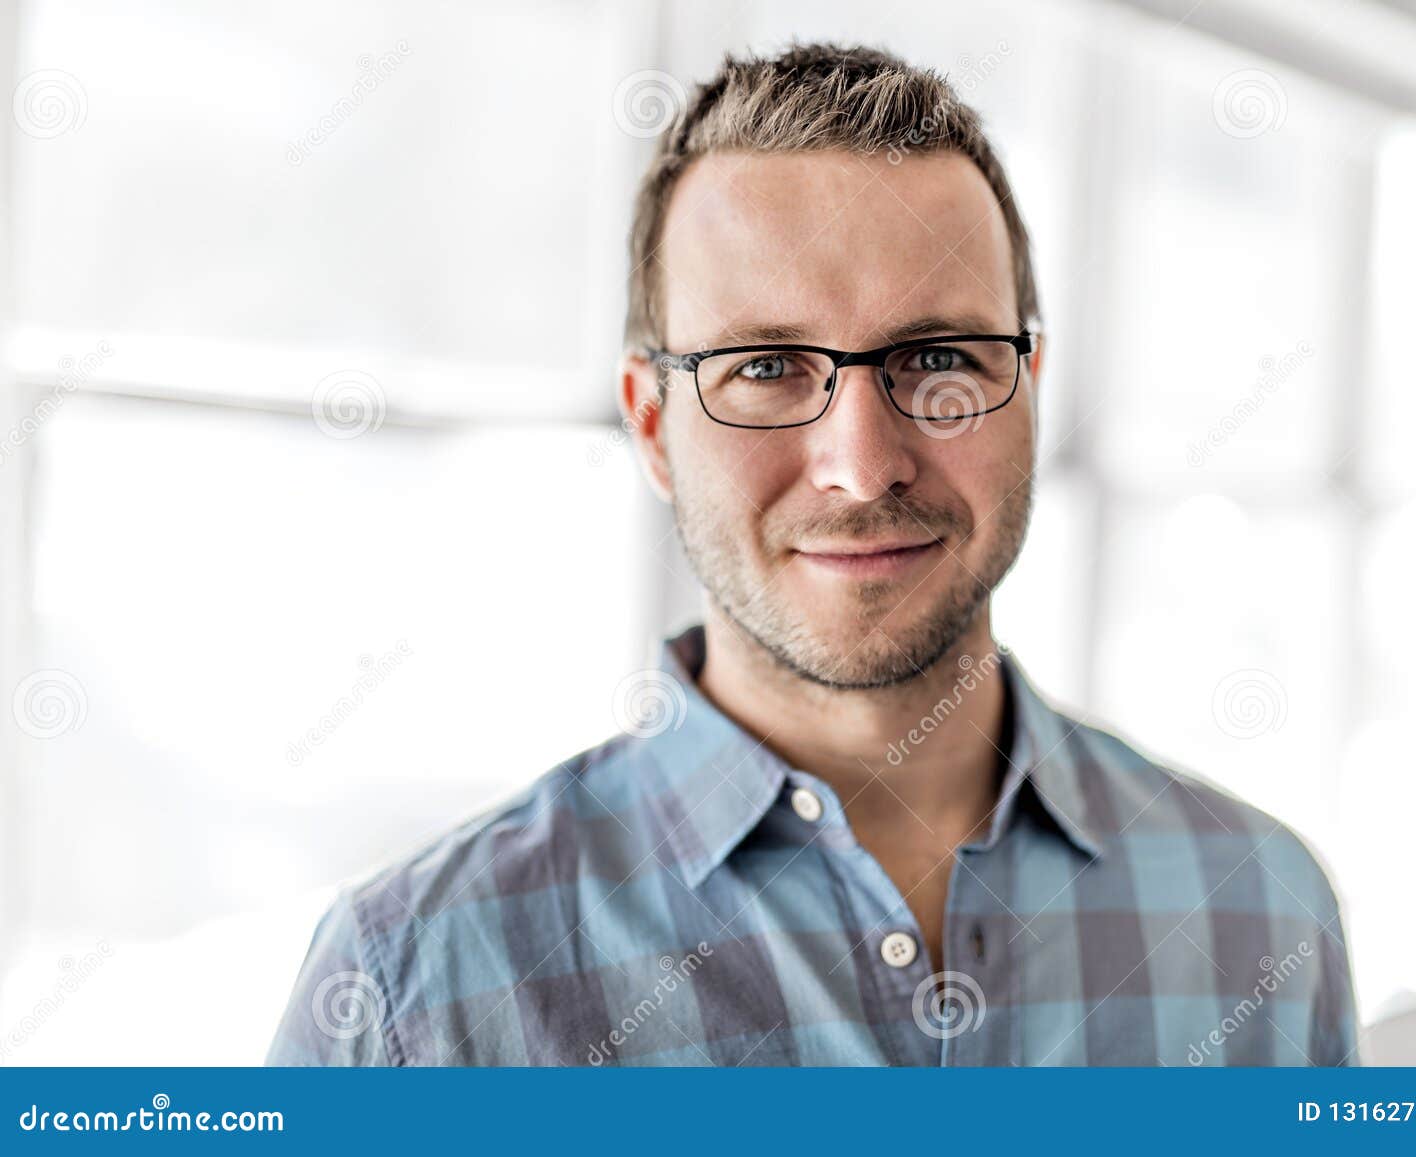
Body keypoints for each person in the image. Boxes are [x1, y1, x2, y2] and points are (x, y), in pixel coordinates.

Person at [266, 41, 1358, 1067]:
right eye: (766, 367)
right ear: (651, 425)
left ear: (1028, 389)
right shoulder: (410, 996)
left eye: (936, 358)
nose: (861, 464)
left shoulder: (1259, 910)